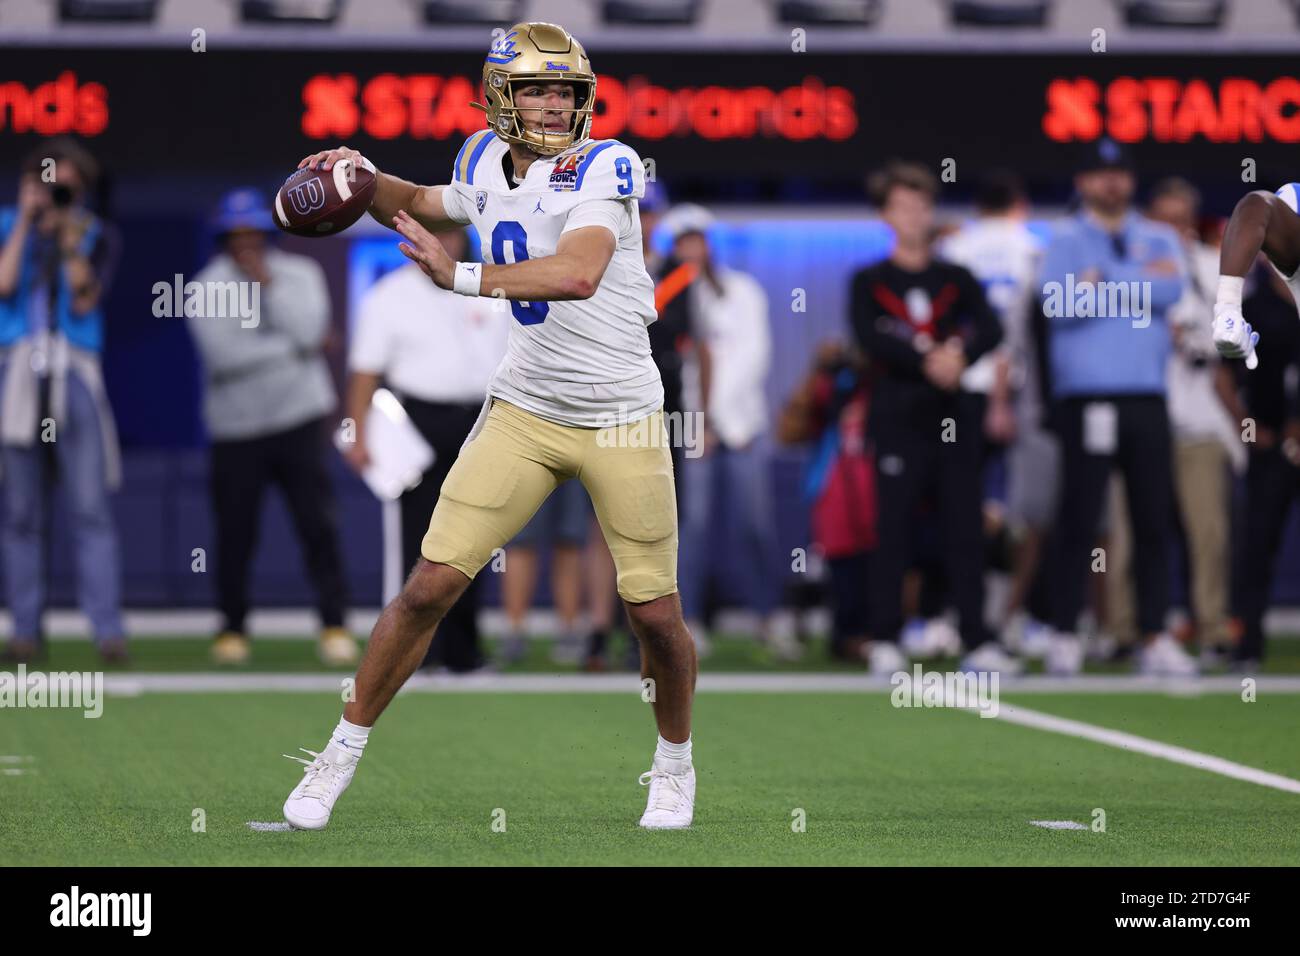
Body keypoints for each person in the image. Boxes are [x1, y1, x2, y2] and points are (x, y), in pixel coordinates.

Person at [282, 21, 697, 832]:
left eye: (565, 90)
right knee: (429, 586)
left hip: (620, 416)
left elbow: (577, 272)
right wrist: (358, 176)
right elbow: (421, 203)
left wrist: (461, 275)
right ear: (502, 95)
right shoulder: (479, 157)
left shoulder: (606, 163)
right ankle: (339, 752)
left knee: (653, 613)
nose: (553, 104)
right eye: (538, 88)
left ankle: (675, 763)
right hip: (527, 409)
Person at [1037, 139, 1194, 677]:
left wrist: (1105, 281)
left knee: (1153, 517)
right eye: (1101, 175)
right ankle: (1063, 631)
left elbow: (1172, 290)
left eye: (1120, 174)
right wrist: (1136, 285)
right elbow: (1057, 305)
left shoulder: (1159, 235)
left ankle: (1153, 634)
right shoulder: (1064, 238)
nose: (1112, 183)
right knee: (1078, 518)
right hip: (1088, 397)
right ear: (1082, 182)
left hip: (1146, 395)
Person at [849, 161, 1007, 677]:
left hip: (955, 418)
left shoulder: (957, 278)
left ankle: (977, 640)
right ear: (886, 215)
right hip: (897, 419)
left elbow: (990, 327)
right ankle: (887, 637)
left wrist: (958, 356)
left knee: (964, 529)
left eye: (922, 205)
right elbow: (869, 336)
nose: (915, 215)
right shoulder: (869, 280)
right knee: (891, 531)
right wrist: (926, 360)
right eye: (903, 206)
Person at [188, 188, 356, 667]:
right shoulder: (204, 287)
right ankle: (232, 628)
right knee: (235, 534)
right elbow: (223, 359)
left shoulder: (300, 275)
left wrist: (268, 287)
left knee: (318, 527)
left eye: (252, 234)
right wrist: (295, 350)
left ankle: (334, 624)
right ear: (223, 239)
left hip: (300, 421)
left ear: (265, 235)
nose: (245, 244)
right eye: (235, 236)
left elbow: (310, 331)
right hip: (236, 431)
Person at [345, 228, 509, 672]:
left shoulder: (486, 287)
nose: (444, 244)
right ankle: (413, 655)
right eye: (434, 234)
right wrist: (355, 433)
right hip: (414, 424)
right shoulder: (389, 295)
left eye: (451, 235)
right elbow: (364, 372)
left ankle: (463, 652)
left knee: (472, 539)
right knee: (418, 540)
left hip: (480, 420)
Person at [0, 139, 127, 663]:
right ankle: (24, 631)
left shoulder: (96, 232)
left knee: (90, 509)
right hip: (17, 372)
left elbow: (84, 296)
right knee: (21, 512)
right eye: (47, 182)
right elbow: (5, 285)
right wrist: (29, 222)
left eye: (65, 186)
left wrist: (68, 238)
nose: (55, 192)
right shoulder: (10, 222)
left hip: (74, 371)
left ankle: (108, 632)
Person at [666, 204, 789, 658]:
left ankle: (768, 618)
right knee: (690, 529)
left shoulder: (744, 291)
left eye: (696, 240)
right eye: (682, 243)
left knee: (754, 525)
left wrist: (714, 418)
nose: (690, 249)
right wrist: (699, 423)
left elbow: (752, 358)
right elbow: (675, 367)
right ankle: (689, 622)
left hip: (740, 428)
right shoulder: (666, 295)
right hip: (694, 430)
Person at [939, 171, 1052, 656]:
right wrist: (1006, 397)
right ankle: (1010, 616)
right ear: (1019, 204)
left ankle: (954, 616)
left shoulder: (958, 248)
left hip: (963, 390)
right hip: (1023, 394)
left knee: (962, 511)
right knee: (1027, 514)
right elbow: (1024, 330)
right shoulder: (1033, 247)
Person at [1225, 264, 1300, 669]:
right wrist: (1250, 432)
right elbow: (1223, 376)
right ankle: (1248, 645)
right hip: (1269, 447)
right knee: (1256, 547)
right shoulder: (1252, 307)